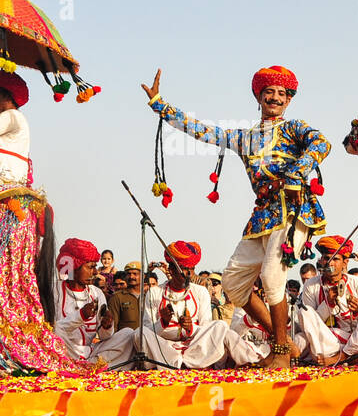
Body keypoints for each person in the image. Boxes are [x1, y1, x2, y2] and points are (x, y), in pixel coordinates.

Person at [142, 66, 331, 368]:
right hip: (263, 217)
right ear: (259, 97)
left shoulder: (294, 128)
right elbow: (203, 131)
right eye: (269, 92)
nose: (275, 98)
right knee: (232, 283)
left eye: (282, 94)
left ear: (289, 100)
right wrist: (160, 105)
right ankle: (285, 342)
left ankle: (281, 351)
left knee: (271, 278)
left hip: (293, 211)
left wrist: (296, 174)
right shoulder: (244, 138)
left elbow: (321, 143)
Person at [139, 242, 257, 369]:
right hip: (165, 349)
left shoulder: (200, 291)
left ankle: (185, 363)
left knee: (220, 325)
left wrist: (191, 328)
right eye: (184, 269)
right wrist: (162, 323)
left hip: (194, 349)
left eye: (192, 269)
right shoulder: (155, 292)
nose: (189, 274)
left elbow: (206, 328)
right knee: (138, 334)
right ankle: (177, 363)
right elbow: (147, 331)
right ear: (171, 270)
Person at [297, 235, 358, 364]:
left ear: (345, 263)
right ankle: (353, 358)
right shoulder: (311, 285)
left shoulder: (357, 283)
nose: (330, 263)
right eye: (326, 259)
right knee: (304, 312)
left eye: (335, 259)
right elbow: (310, 324)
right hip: (329, 342)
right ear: (321, 261)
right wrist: (327, 304)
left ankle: (345, 356)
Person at [52, 239, 135, 368]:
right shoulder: (55, 290)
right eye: (91, 267)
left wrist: (107, 326)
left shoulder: (96, 293)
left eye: (95, 267)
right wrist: (81, 316)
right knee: (54, 330)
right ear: (74, 267)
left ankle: (89, 365)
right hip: (64, 351)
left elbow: (103, 336)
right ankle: (83, 365)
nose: (95, 272)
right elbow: (55, 329)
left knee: (129, 334)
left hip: (91, 352)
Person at [109, 261, 146, 332]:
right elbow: (113, 326)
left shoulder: (149, 297)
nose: (131, 277)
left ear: (143, 276)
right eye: (129, 274)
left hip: (146, 340)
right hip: (125, 340)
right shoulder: (117, 297)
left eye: (135, 274)